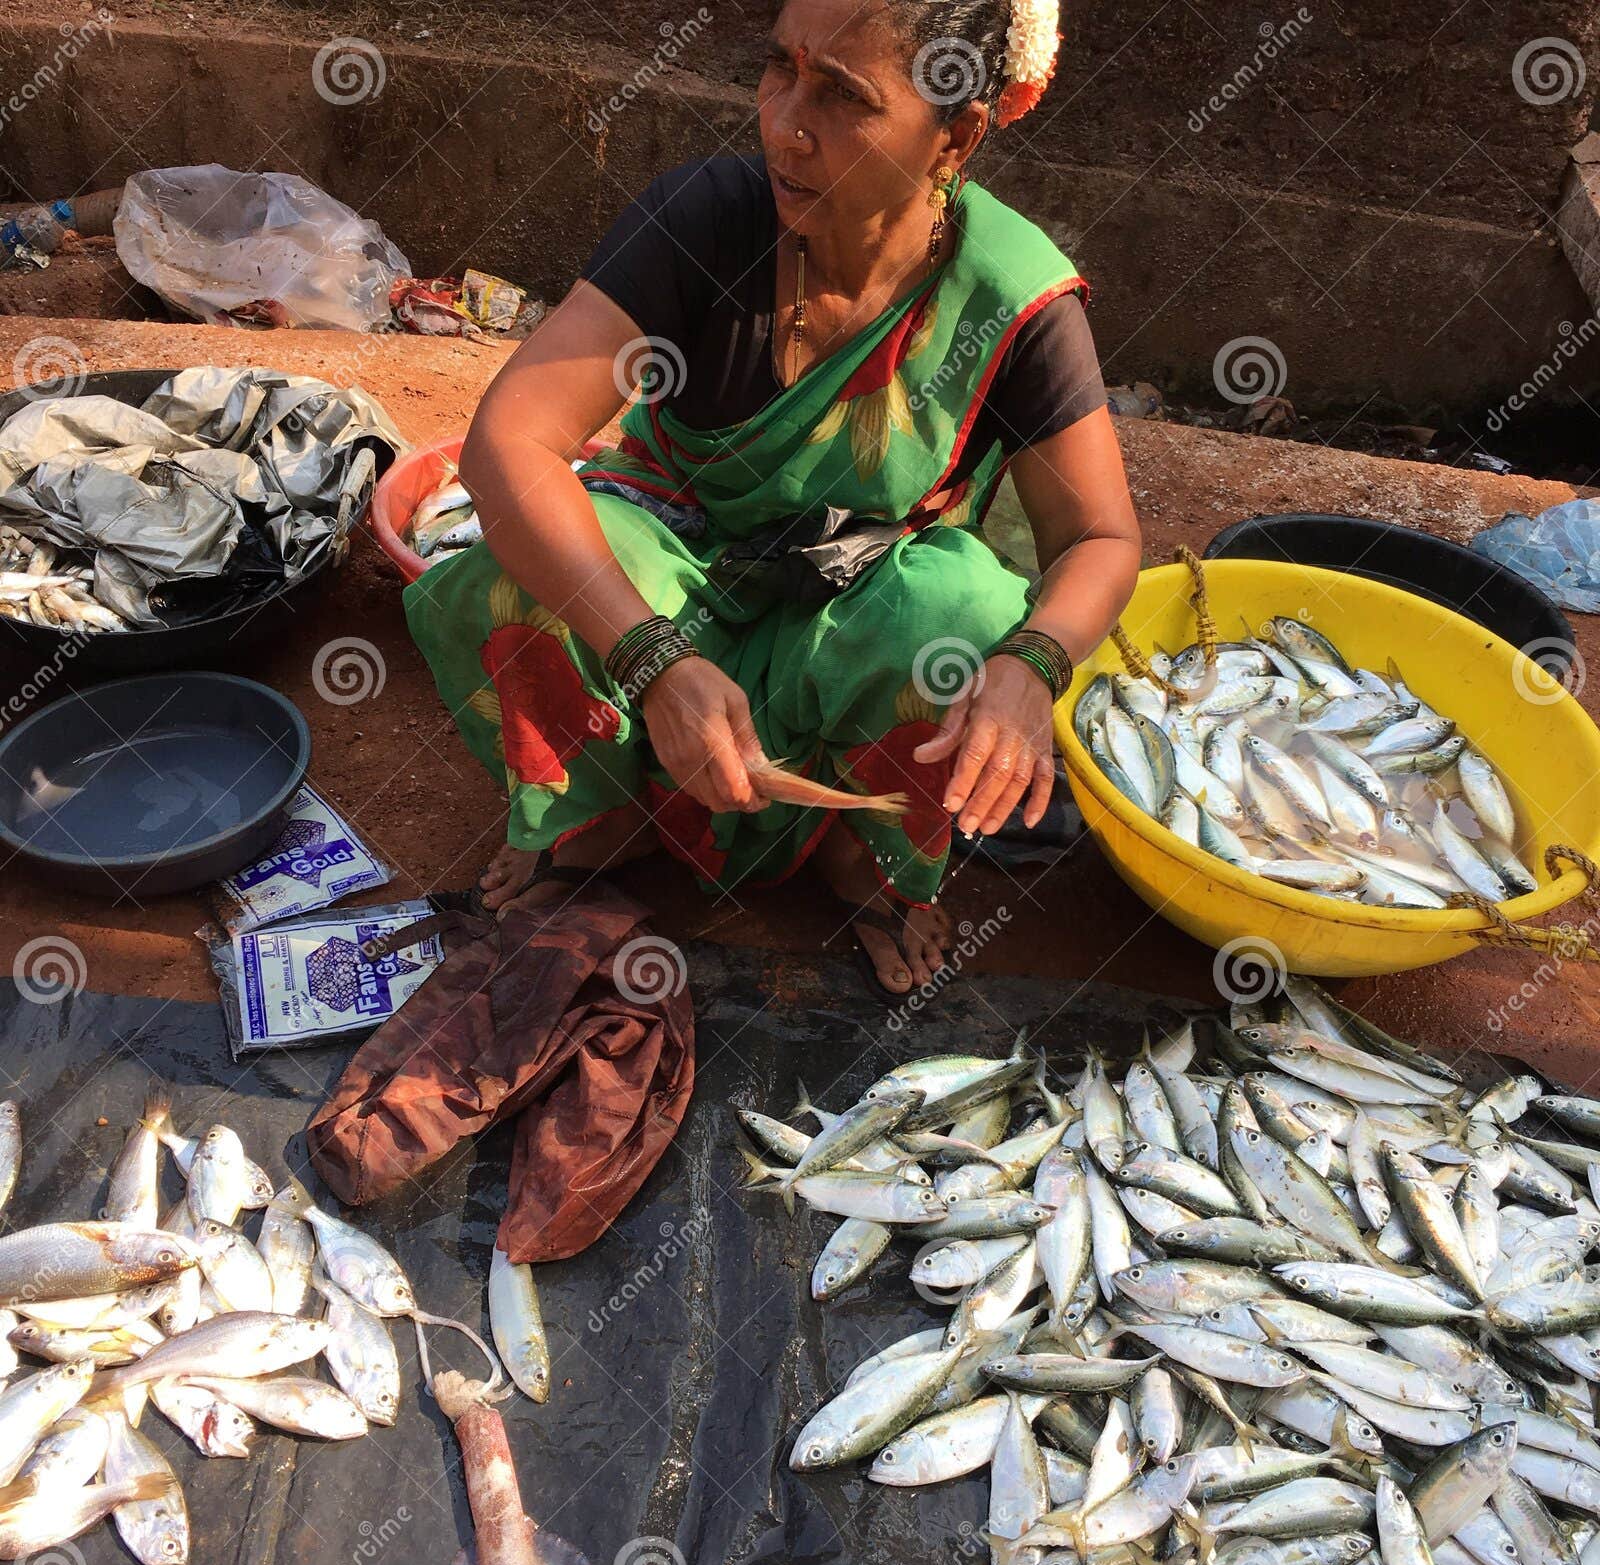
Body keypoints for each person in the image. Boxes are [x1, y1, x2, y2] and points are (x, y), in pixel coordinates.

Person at [404, 0, 1141, 997]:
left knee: (969, 620)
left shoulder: (1008, 296)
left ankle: (854, 849)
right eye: (781, 69)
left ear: (956, 136)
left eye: (843, 96)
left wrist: (1032, 665)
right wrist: (652, 659)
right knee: (511, 578)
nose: (786, 125)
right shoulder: (705, 220)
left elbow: (1099, 537)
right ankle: (601, 818)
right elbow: (509, 444)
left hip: (855, 607)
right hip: (671, 569)